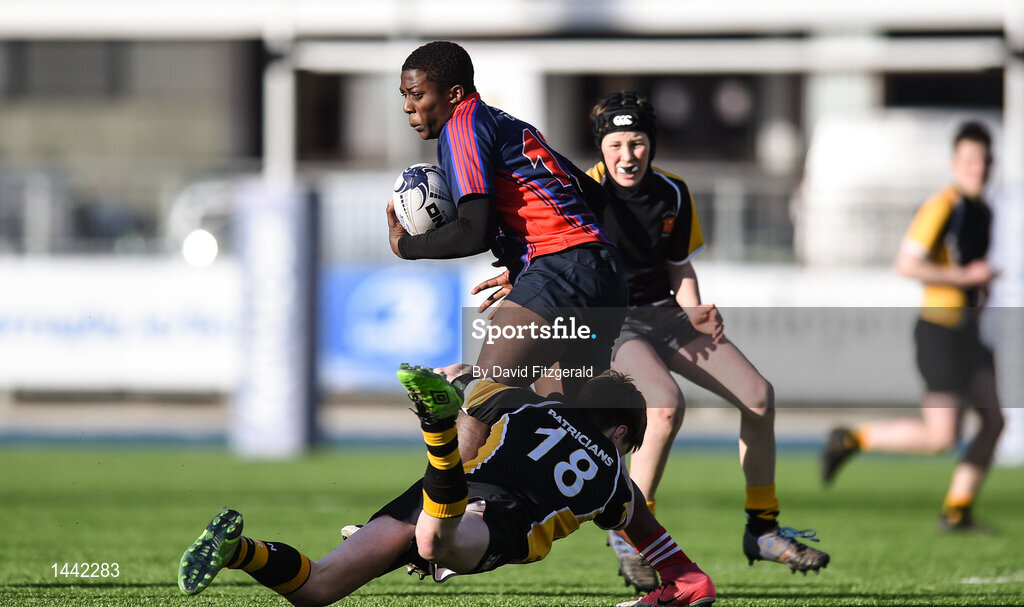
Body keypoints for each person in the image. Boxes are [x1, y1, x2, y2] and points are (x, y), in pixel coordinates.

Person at [475, 92, 829, 591]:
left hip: (666, 316)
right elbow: (549, 249)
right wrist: (525, 280)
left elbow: (677, 263)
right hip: (612, 320)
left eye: (637, 142)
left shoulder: (674, 193)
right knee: (664, 406)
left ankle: (763, 528)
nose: (628, 155)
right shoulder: (577, 190)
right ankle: (631, 536)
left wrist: (694, 307)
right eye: (616, 143)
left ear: (651, 145)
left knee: (759, 395)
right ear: (601, 147)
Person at [178, 364, 716, 607]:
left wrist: (459, 381)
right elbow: (676, 563)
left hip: (447, 491)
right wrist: (683, 581)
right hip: (494, 522)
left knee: (317, 588)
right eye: (629, 445)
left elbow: (459, 372)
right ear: (620, 432)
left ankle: (238, 550)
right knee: (439, 543)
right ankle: (436, 435)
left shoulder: (531, 402)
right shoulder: (612, 483)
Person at [387, 40, 628, 422]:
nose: (407, 107)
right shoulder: (508, 124)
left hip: (565, 270)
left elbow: (473, 232)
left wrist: (405, 246)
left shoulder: (462, 126)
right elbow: (597, 198)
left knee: (482, 401)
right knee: (576, 428)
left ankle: (462, 381)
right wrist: (527, 264)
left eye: (417, 94)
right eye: (404, 96)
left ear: (453, 94)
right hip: (599, 274)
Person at [822, 121, 1004, 532]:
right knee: (942, 437)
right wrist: (966, 278)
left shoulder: (983, 210)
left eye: (986, 160)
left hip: (969, 331)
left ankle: (957, 510)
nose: (979, 168)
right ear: (955, 163)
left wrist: (981, 290)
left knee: (994, 421)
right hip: (939, 330)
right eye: (971, 160)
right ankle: (853, 439)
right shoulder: (944, 206)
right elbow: (907, 264)